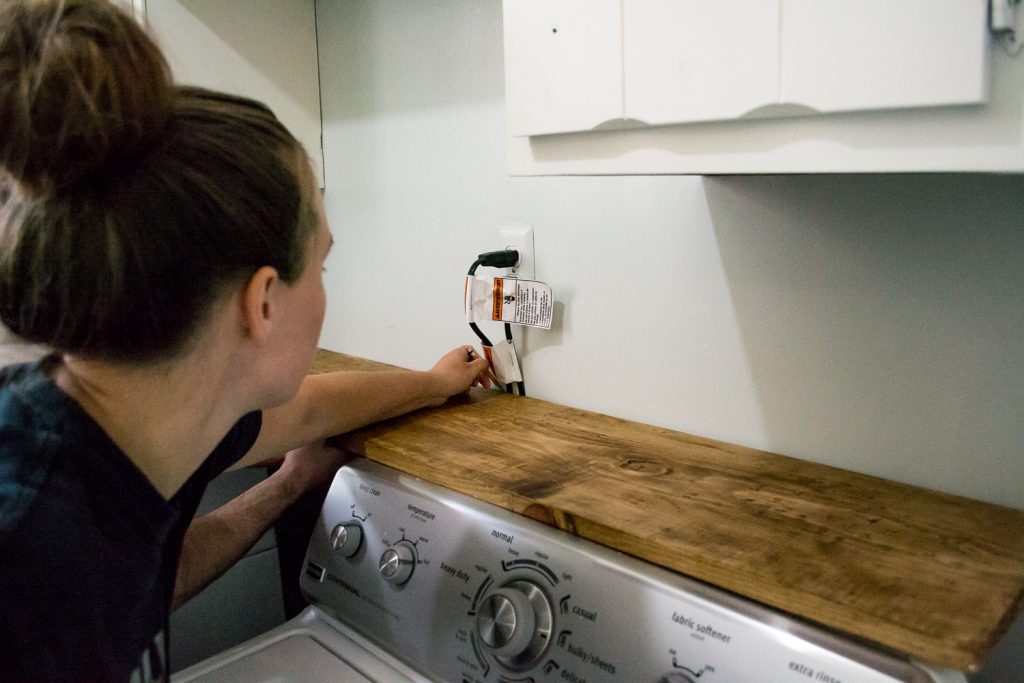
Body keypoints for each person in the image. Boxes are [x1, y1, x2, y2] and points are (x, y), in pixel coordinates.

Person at [0, 0, 491, 680]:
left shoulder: (143, 406)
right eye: (322, 264)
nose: (324, 288)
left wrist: (430, 386)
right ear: (262, 303)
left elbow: (311, 412)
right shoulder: (24, 562)